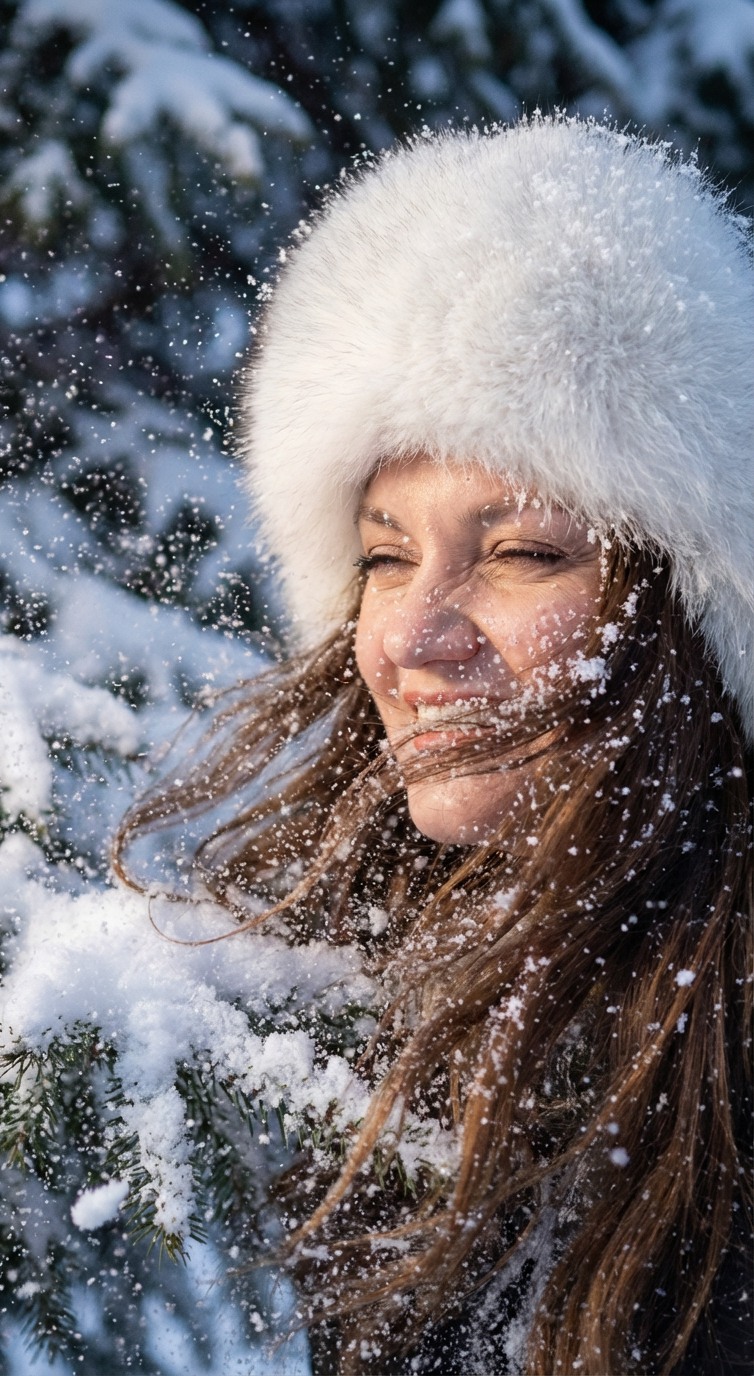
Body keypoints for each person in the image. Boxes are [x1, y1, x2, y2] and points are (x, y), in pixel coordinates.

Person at [115, 118, 752, 1374]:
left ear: (689, 610)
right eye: (385, 551)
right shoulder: (365, 996)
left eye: (521, 551)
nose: (410, 634)